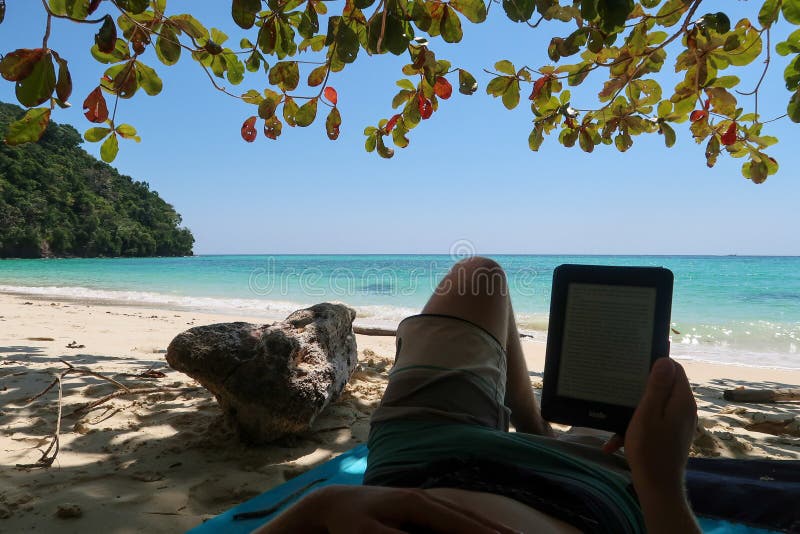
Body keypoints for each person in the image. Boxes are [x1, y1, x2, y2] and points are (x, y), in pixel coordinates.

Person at [256, 257, 700, 533]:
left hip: (417, 463)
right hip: (577, 496)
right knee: (605, 430)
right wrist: (662, 488)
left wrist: (316, 509)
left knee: (478, 276)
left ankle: (535, 427)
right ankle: (558, 437)